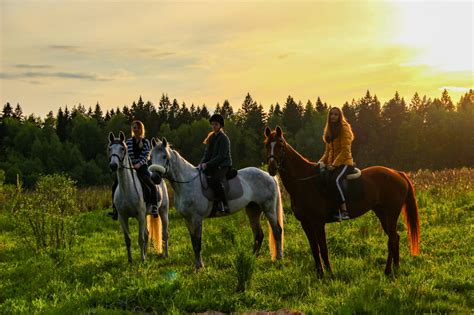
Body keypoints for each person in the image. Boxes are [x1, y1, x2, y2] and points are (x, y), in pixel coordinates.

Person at [108, 120, 160, 220]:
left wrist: (139, 164)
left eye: (137, 128)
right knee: (115, 184)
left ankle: (154, 206)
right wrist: (130, 164)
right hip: (130, 167)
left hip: (142, 167)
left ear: (141, 129)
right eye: (134, 128)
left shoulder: (146, 142)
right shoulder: (128, 142)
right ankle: (115, 209)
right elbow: (126, 155)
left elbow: (146, 156)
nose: (135, 129)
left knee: (150, 184)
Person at [318, 107, 355, 221]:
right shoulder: (329, 130)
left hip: (345, 163)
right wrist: (319, 162)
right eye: (331, 114)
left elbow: (345, 151)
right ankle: (332, 209)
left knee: (336, 180)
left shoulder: (344, 128)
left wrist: (334, 165)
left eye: (336, 114)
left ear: (340, 116)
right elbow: (327, 152)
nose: (333, 116)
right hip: (332, 164)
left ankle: (344, 211)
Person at [198, 113, 232, 213]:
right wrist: (200, 164)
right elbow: (207, 154)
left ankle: (224, 204)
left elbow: (221, 156)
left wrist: (207, 164)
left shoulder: (224, 138)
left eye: (216, 124)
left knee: (214, 181)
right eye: (212, 124)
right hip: (213, 165)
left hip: (224, 165)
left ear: (220, 126)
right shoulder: (211, 137)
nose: (214, 126)